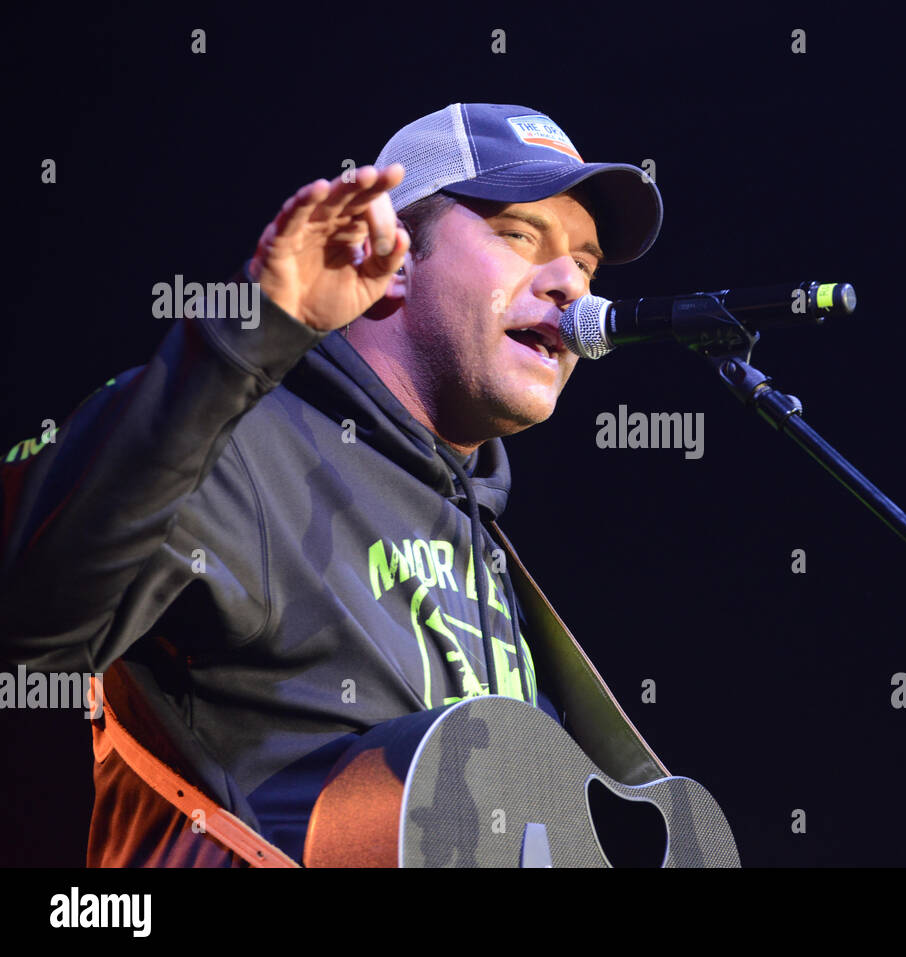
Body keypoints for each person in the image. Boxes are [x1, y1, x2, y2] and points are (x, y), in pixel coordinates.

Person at [0, 103, 665, 866]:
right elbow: (27, 625)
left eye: (585, 264)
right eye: (519, 235)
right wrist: (243, 340)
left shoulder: (483, 540)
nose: (570, 288)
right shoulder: (238, 444)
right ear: (393, 254)